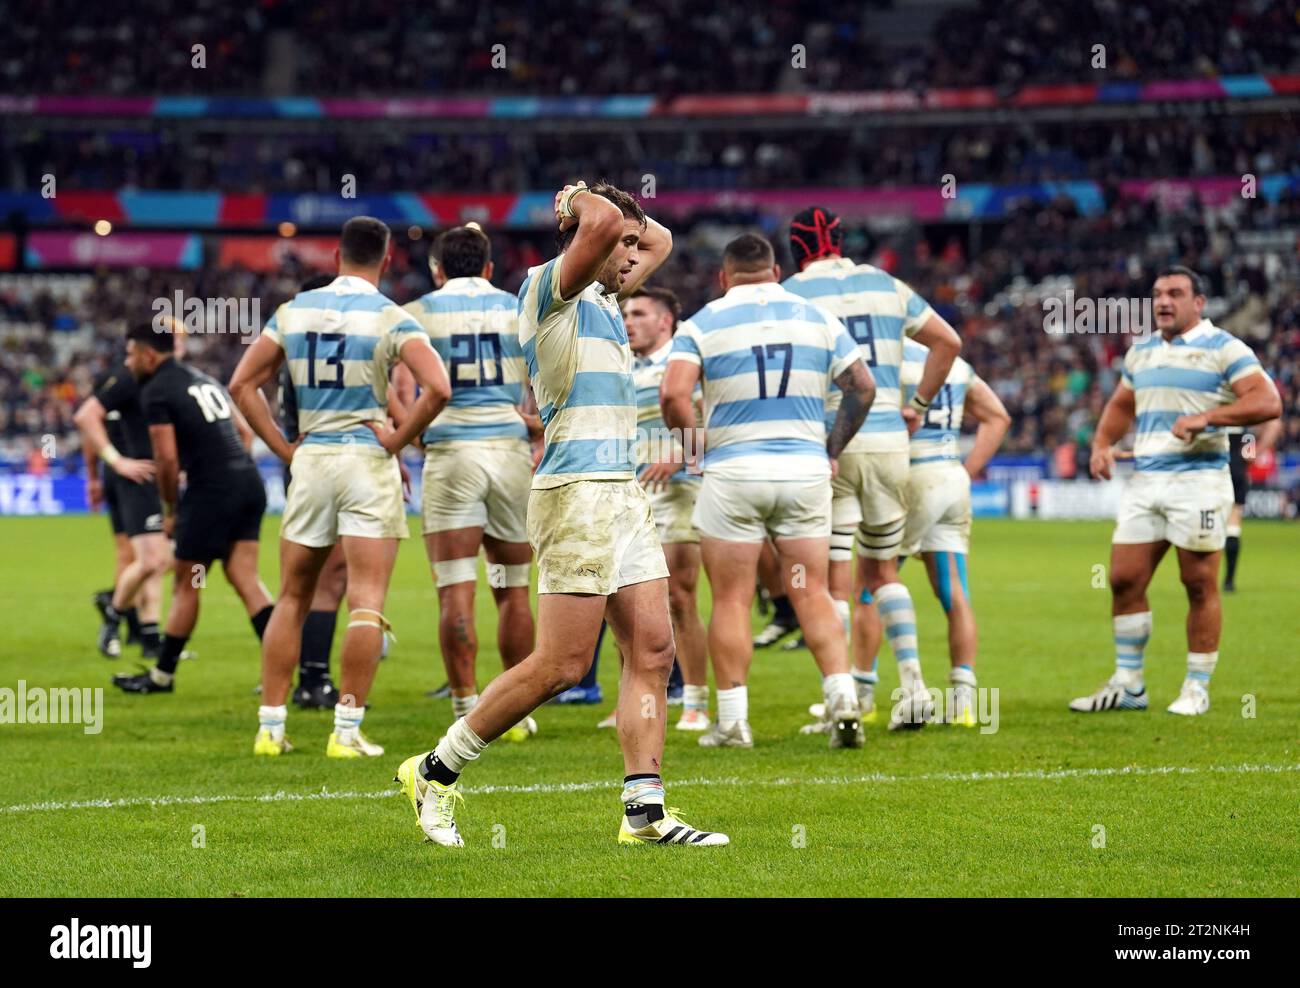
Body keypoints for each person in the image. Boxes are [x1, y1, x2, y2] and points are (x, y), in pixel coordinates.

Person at [396, 181, 727, 847]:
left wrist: (629, 225)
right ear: (583, 237)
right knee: (563, 664)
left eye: (633, 245)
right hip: (575, 492)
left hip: (623, 493)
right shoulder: (550, 288)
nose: (634, 255)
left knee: (653, 651)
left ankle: (644, 813)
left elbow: (654, 236)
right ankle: (436, 769)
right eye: (620, 244)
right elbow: (604, 222)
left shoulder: (609, 298)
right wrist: (582, 197)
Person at [230, 216, 450, 756]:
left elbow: (242, 383)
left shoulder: (293, 312)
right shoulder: (392, 316)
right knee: (367, 600)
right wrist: (397, 440)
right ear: (389, 256)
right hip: (364, 459)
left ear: (334, 257)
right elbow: (438, 388)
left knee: (292, 597)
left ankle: (270, 729)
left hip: (312, 461)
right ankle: (346, 732)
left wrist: (284, 450)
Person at [661, 233, 876, 750]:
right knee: (811, 591)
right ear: (776, 272)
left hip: (735, 474)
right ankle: (843, 698)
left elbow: (672, 392)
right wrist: (830, 447)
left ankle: (734, 721)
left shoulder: (703, 322)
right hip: (803, 474)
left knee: (732, 599)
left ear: (723, 277)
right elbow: (862, 386)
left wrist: (694, 450)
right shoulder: (816, 318)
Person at [781, 205, 961, 729]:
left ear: (796, 249)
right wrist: (919, 406)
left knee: (833, 581)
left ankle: (843, 703)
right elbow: (948, 342)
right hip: (888, 442)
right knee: (882, 572)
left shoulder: (792, 293)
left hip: (831, 443)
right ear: (842, 239)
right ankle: (914, 688)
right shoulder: (886, 283)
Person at [1073, 267, 1281, 716]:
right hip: (1146, 481)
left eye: (1176, 293)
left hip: (1199, 482)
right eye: (1158, 294)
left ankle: (1196, 687)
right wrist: (1101, 444)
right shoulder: (1142, 352)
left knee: (1199, 583)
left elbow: (1268, 402)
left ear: (1198, 302)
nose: (1164, 301)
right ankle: (1129, 685)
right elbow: (1122, 404)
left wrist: (1207, 418)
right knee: (1124, 579)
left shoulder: (1225, 348)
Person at [806, 341, 1010, 731]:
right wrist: (968, 470)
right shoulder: (955, 363)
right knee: (953, 592)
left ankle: (863, 696)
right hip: (951, 477)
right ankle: (964, 701)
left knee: (871, 585)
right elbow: (998, 416)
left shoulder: (888, 362)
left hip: (910, 477)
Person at [398, 224, 539, 743]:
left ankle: (466, 708)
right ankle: (519, 711)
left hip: (452, 453)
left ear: (437, 269)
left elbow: (395, 388)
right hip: (508, 453)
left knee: (455, 588)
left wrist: (409, 439)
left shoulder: (416, 312)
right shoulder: (517, 307)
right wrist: (530, 424)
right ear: (488, 268)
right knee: (510, 588)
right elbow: (548, 384)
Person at [110, 322, 271, 696]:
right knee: (245, 578)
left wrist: (170, 510)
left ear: (149, 354)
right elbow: (244, 434)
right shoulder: (202, 379)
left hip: (210, 495)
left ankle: (161, 676)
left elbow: (165, 459)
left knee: (189, 582)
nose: (128, 360)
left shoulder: (156, 391)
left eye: (132, 353)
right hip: (248, 484)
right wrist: (231, 475)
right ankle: (282, 671)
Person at [75, 353, 172, 661]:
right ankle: (122, 614)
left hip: (115, 474)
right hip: (135, 473)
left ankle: (135, 627)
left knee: (133, 557)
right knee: (154, 559)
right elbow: (88, 423)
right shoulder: (141, 383)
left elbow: (90, 434)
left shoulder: (108, 382)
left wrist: (93, 477)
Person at [1221, 418, 1281, 591]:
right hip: (1238, 468)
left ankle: (1205, 579)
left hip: (1215, 469)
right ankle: (1229, 581)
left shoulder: (1215, 411)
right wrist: (1252, 454)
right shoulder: (1246, 416)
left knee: (1211, 527)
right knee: (1233, 526)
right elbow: (1274, 425)